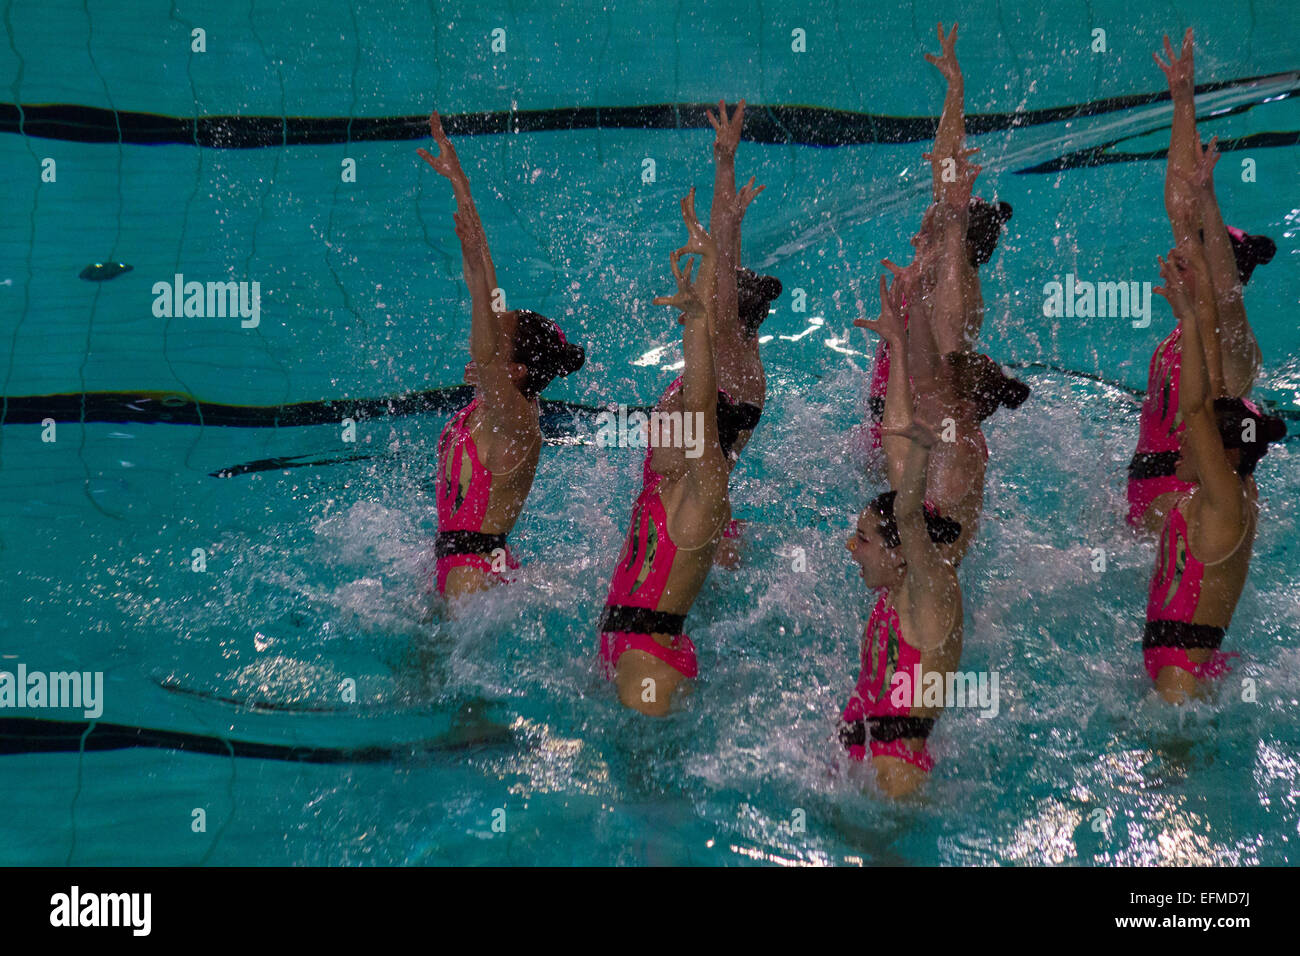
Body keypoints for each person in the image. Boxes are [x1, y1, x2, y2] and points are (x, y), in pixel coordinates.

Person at [417, 111, 585, 602]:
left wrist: (478, 254)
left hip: (475, 578)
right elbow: (481, 289)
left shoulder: (517, 419)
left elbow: (482, 330)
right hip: (461, 568)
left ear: (513, 368)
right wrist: (460, 186)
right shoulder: (501, 401)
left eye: (500, 331)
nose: (493, 320)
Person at [598, 191, 746, 716]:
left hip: (648, 660)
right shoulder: (664, 487)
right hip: (627, 647)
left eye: (667, 422)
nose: (653, 426)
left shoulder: (702, 492)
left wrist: (699, 318)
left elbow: (700, 399)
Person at [1126, 29, 1276, 532]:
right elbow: (1179, 210)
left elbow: (1228, 294)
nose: (1175, 260)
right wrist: (1182, 102)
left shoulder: (1230, 348)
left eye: (1192, 257)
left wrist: (1209, 205)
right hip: (1147, 504)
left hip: (1185, 509)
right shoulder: (1189, 328)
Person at [1143, 243, 1284, 703]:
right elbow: (1214, 399)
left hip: (1182, 678)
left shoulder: (1226, 501)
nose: (1182, 438)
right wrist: (1199, 302)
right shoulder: (1232, 490)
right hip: (1179, 668)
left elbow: (1199, 406)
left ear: (1225, 454)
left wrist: (1189, 318)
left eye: (1197, 436)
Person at [842, 269, 964, 797]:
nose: (851, 547)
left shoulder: (929, 589)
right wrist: (895, 341)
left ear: (898, 554)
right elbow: (895, 453)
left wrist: (921, 455)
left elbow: (909, 513)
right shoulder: (901, 579)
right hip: (866, 750)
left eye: (864, 538)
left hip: (896, 772)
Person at [865, 23, 1013, 458]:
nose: (915, 237)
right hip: (894, 419)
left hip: (915, 434)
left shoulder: (956, 295)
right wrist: (955, 90)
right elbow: (945, 172)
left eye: (926, 233)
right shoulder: (945, 268)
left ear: (953, 241)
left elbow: (941, 386)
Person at [704, 100, 784, 568]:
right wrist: (735, 219)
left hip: (704, 523)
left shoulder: (730, 354)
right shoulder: (739, 354)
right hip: (713, 510)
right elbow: (726, 266)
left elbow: (718, 261)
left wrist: (725, 162)